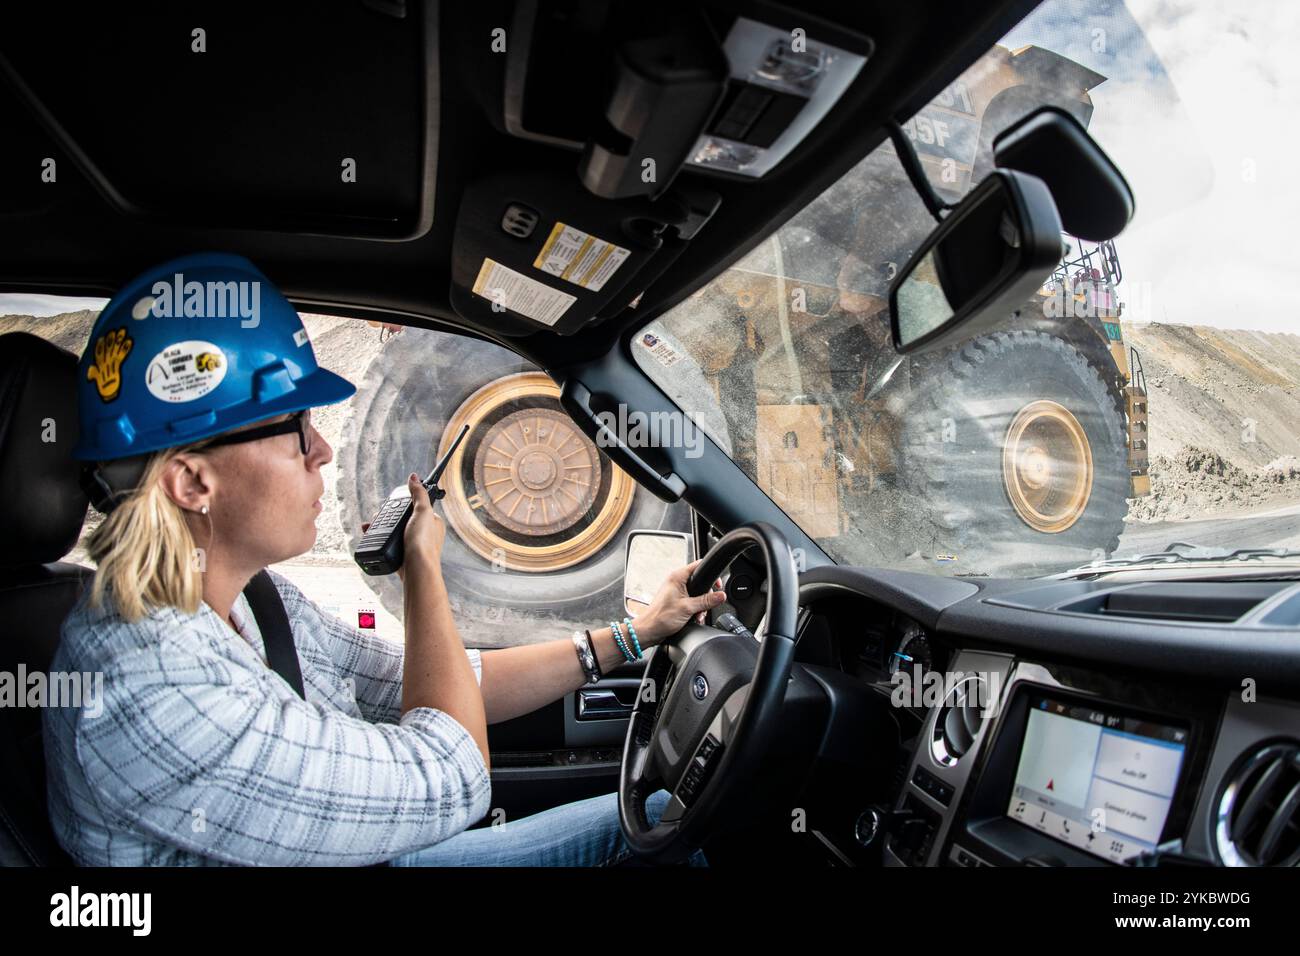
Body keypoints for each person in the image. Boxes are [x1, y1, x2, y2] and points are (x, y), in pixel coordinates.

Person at [45, 252, 725, 866]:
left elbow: (438, 681)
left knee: (666, 823)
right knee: (669, 837)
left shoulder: (252, 601)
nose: (324, 452)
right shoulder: (153, 688)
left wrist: (638, 633)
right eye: (295, 429)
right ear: (193, 482)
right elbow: (453, 779)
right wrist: (423, 569)